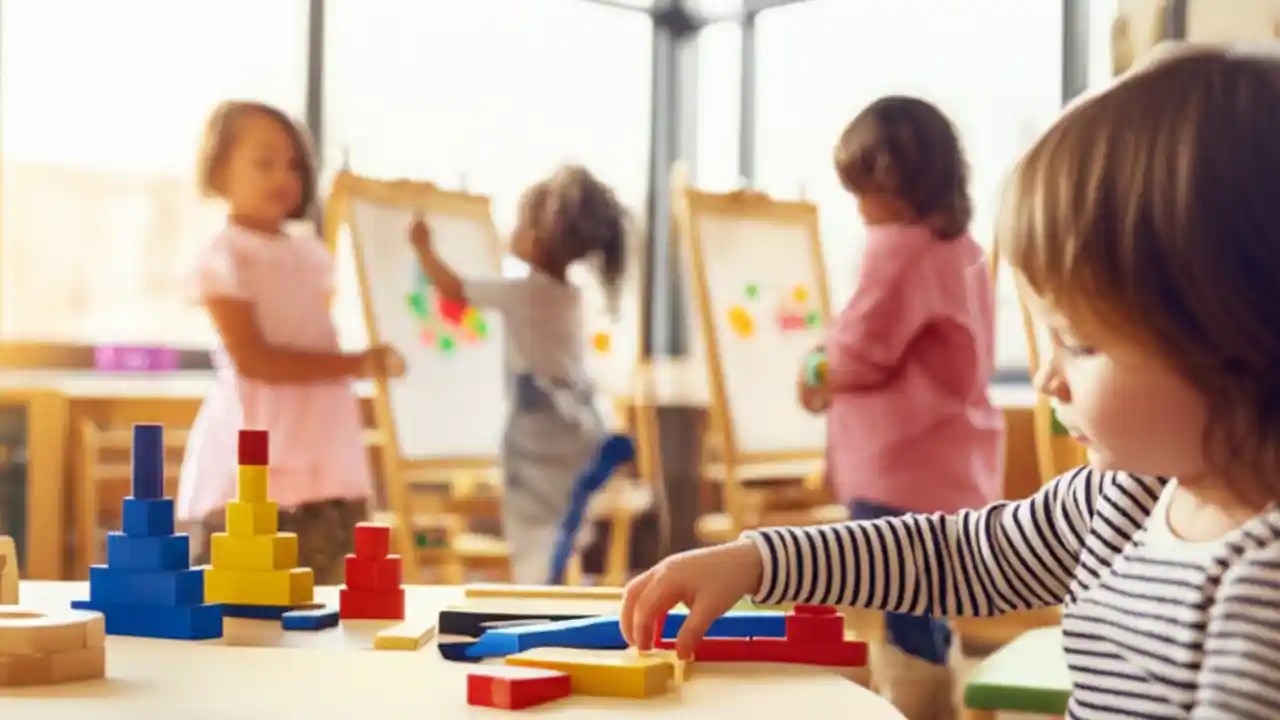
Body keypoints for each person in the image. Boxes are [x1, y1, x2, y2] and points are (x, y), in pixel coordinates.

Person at [620, 45, 1280, 720]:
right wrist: (757, 559)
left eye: (1079, 342)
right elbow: (953, 553)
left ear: (1235, 334)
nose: (1049, 376)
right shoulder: (1121, 498)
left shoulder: (1261, 585)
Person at [795, 94, 1004, 712]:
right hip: (951, 463)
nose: (859, 210)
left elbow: (861, 349)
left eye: (864, 192)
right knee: (930, 602)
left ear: (897, 184)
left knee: (897, 605)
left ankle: (916, 704)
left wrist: (813, 366)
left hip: (897, 467)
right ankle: (938, 689)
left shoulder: (899, 248)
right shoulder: (964, 251)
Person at [178, 100, 404, 584]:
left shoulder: (310, 252)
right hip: (257, 458)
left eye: (293, 164)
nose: (282, 175)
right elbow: (255, 360)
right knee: (243, 605)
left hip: (326, 453)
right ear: (220, 170)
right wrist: (354, 365)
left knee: (325, 600)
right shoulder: (224, 257)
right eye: (264, 162)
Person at [408, 164, 627, 584]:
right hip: (578, 419)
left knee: (532, 524)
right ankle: (562, 564)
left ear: (536, 239)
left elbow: (454, 289)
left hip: (540, 423)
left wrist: (424, 249)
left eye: (522, 220)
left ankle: (540, 587)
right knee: (560, 515)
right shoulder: (570, 295)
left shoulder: (523, 293)